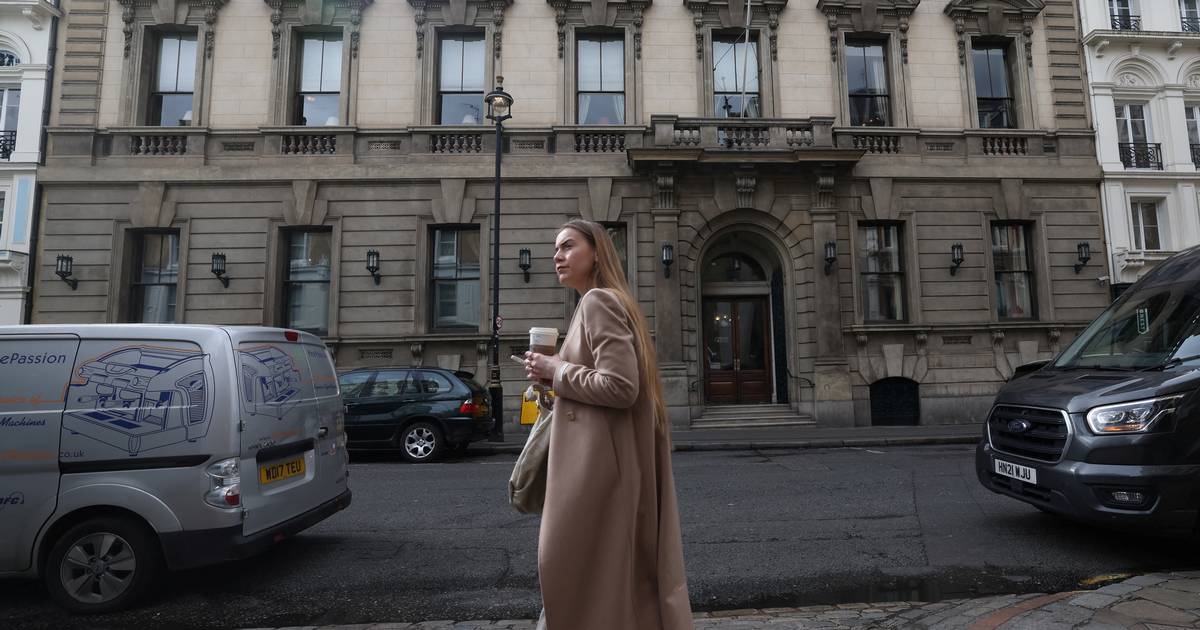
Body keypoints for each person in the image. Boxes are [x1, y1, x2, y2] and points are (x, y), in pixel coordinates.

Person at [522, 219, 694, 630]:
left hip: (598, 470)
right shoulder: (597, 303)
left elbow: (621, 387)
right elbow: (599, 385)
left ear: (596, 252)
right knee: (607, 575)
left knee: (573, 566)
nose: (557, 256)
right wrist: (551, 382)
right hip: (601, 464)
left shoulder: (599, 301)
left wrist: (558, 369)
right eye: (555, 250)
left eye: (567, 247)